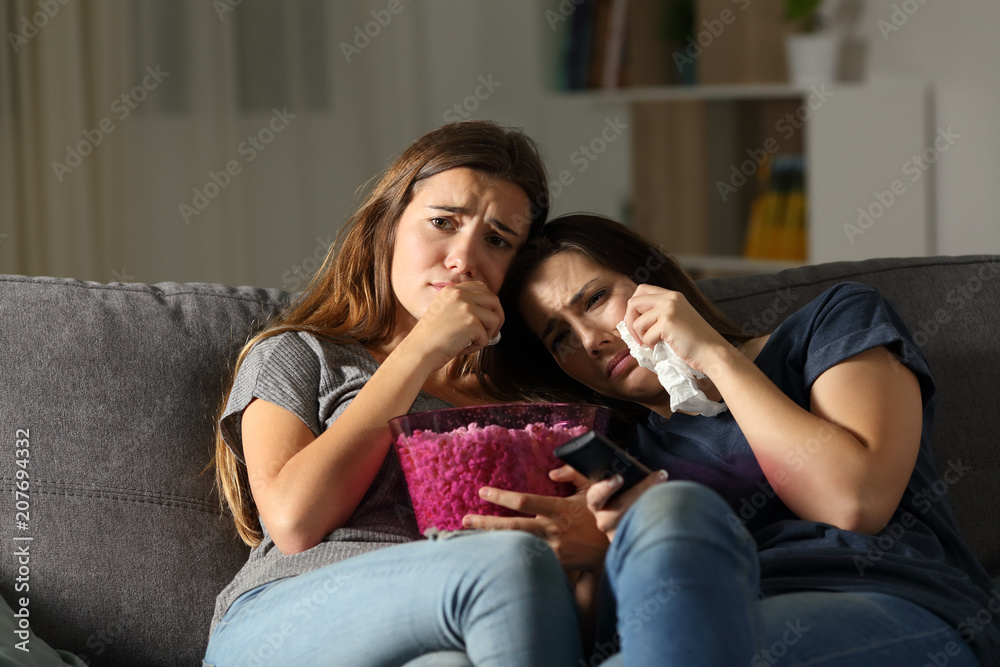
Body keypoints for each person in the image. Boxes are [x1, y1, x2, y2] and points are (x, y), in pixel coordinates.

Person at [472, 213, 1000, 666]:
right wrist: (601, 556)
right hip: (698, 622)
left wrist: (715, 357)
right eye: (560, 337)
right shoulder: (623, 459)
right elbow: (598, 634)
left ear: (653, 281)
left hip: (892, 599)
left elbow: (852, 503)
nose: (589, 340)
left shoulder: (830, 324)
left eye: (594, 299)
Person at [203, 121, 584, 667]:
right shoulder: (301, 353)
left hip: (454, 631)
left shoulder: (531, 398)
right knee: (510, 562)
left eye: (496, 240)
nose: (463, 259)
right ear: (389, 225)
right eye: (442, 223)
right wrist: (421, 349)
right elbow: (293, 521)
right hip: (286, 615)